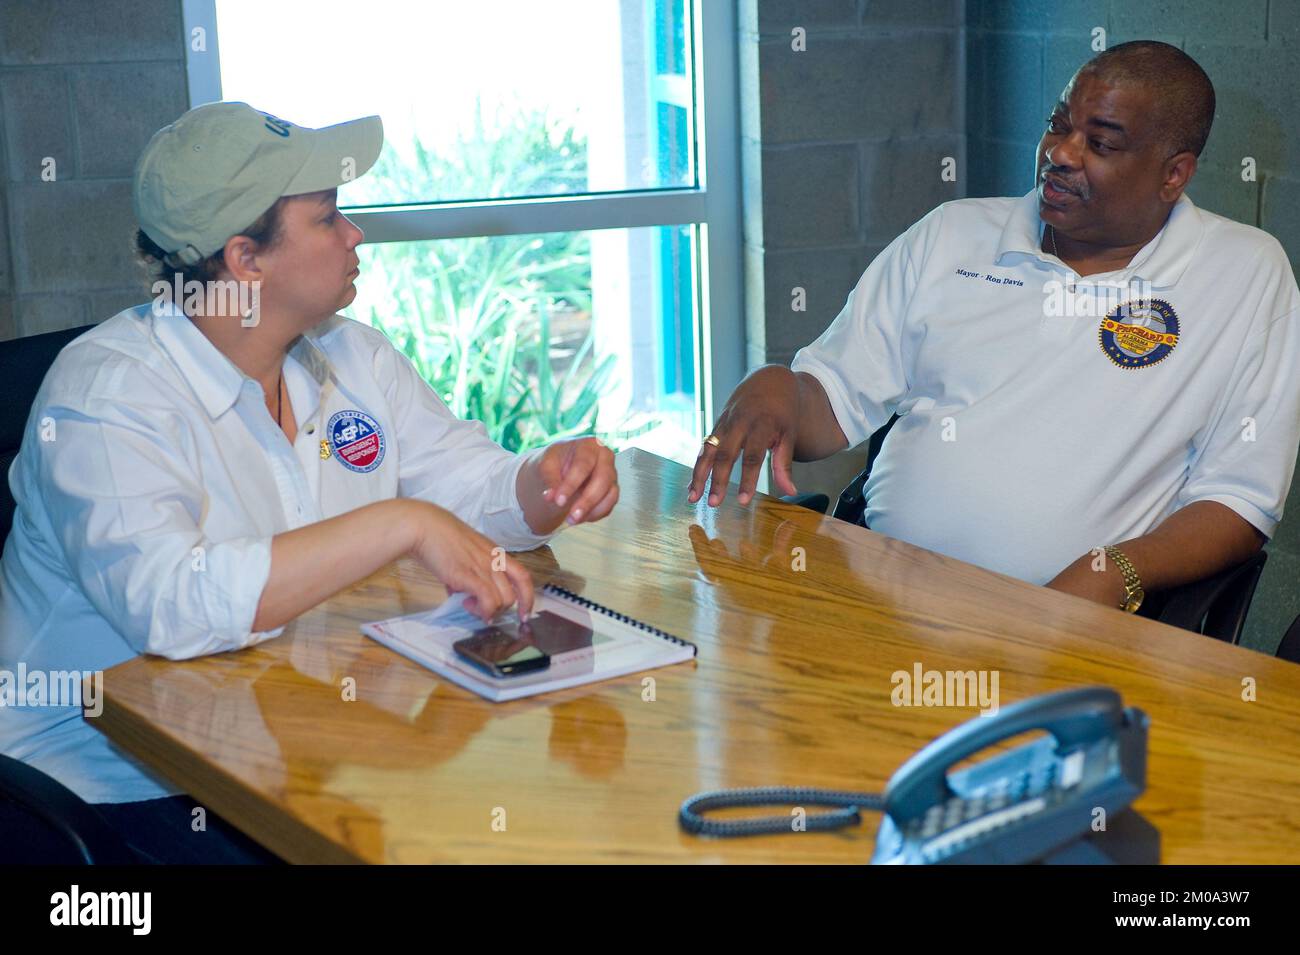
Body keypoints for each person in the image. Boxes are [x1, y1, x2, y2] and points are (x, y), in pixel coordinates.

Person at [0, 102, 619, 862]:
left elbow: (466, 488)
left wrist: (541, 480)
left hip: (284, 738)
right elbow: (171, 608)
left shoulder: (351, 355)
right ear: (244, 259)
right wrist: (403, 522)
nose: (356, 234)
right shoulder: (104, 397)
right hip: (108, 790)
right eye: (328, 218)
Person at [689, 41, 1300, 613]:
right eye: (1058, 124)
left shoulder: (1245, 274)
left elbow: (1239, 501)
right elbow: (833, 405)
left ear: (1175, 174)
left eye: (1101, 143)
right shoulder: (953, 234)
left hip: (1078, 635)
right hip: (881, 597)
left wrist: (1108, 572)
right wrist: (781, 391)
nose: (1061, 152)